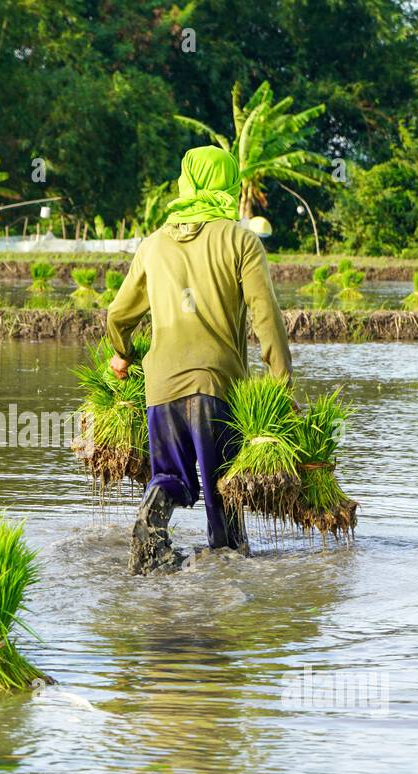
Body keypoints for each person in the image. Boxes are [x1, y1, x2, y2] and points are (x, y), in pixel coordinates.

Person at [105, 145, 293, 574]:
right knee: (223, 496)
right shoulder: (241, 240)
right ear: (228, 183)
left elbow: (118, 315)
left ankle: (153, 512)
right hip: (218, 387)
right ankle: (226, 569)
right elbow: (267, 318)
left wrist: (123, 354)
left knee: (170, 477)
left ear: (186, 182)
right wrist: (281, 386)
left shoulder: (153, 246)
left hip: (161, 385)